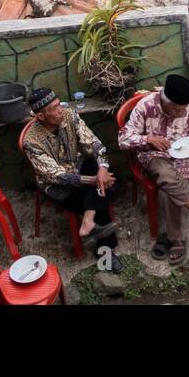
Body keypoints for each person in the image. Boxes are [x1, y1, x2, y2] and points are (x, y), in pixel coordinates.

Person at [118, 74, 189, 264]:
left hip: (181, 156)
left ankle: (173, 237)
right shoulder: (145, 106)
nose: (183, 113)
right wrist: (148, 139)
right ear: (167, 103)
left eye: (184, 109)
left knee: (167, 188)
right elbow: (123, 139)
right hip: (152, 156)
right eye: (178, 110)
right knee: (164, 174)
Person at [21, 87, 123, 273]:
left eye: (59, 104)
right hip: (57, 186)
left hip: (78, 167)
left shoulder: (70, 116)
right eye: (54, 108)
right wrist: (96, 180)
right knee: (102, 191)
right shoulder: (31, 142)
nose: (60, 110)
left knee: (102, 177)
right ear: (41, 116)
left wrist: (102, 169)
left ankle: (88, 222)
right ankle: (106, 252)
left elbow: (93, 143)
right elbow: (57, 176)